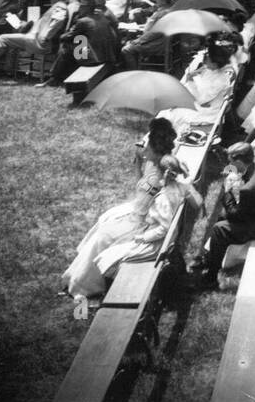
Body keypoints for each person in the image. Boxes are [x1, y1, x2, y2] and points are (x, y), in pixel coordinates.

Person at [62, 120, 179, 300]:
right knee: (104, 222)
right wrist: (137, 163)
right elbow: (141, 189)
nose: (142, 145)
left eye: (145, 143)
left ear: (153, 148)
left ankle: (84, 288)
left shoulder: (158, 175)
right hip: (141, 212)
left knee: (102, 236)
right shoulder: (152, 164)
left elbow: (143, 205)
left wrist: (126, 221)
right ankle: (74, 279)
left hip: (142, 223)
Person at [191, 143, 255, 289]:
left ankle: (211, 277)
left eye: (230, 162)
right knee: (223, 216)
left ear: (238, 162)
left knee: (220, 229)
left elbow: (235, 216)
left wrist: (227, 191)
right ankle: (209, 258)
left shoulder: (251, 188)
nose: (229, 165)